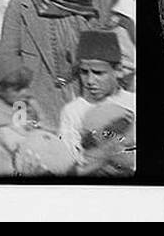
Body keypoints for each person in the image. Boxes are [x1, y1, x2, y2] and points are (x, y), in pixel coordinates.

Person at [0, 0, 98, 128]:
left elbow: (92, 57)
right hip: (35, 100)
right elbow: (8, 58)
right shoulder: (20, 5)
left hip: (74, 99)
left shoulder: (79, 6)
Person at [57, 29, 135, 175]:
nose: (90, 81)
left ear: (118, 70)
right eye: (84, 72)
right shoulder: (72, 111)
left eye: (98, 73)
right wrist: (105, 155)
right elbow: (69, 167)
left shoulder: (133, 102)